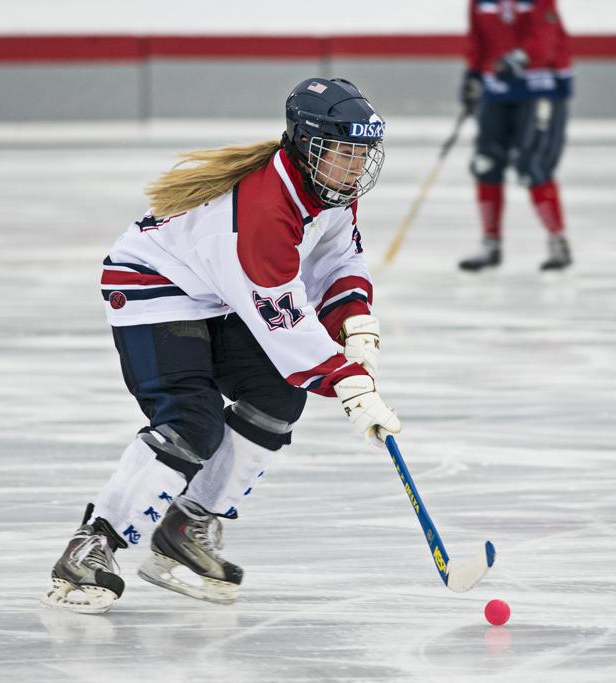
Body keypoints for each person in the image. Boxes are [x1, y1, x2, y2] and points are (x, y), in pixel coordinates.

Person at [41, 77, 401, 614]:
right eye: (342, 152)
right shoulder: (261, 210)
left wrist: (357, 324)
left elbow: (334, 259)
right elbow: (278, 314)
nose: (354, 167)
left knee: (277, 395)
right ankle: (93, 544)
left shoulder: (327, 188)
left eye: (362, 153)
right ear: (306, 144)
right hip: (156, 289)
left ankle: (187, 525)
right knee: (192, 420)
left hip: (216, 293)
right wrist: (345, 382)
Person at [458, 0, 574, 272]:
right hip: (497, 90)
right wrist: (472, 75)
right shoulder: (479, 3)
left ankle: (557, 241)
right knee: (486, 163)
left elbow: (547, 37)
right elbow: (477, 40)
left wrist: (521, 58)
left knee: (532, 165)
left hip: (540, 88)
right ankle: (490, 243)